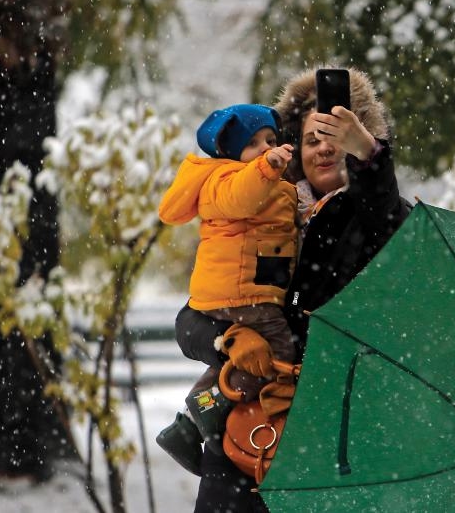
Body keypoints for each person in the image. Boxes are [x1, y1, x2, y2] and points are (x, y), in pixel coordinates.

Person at [174, 67, 411, 512]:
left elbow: (384, 214)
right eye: (311, 138)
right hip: (244, 444)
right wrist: (228, 341)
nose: (323, 148)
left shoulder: (386, 220)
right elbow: (190, 320)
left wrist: (369, 155)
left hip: (338, 444)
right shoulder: (253, 218)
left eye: (336, 135)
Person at [155, 104, 299, 476]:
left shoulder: (261, 181)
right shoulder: (227, 179)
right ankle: (205, 409)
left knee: (256, 357)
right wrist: (268, 167)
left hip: (246, 289)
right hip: (240, 291)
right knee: (277, 356)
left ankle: (191, 418)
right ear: (229, 152)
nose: (267, 148)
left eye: (271, 139)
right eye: (253, 143)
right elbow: (242, 197)